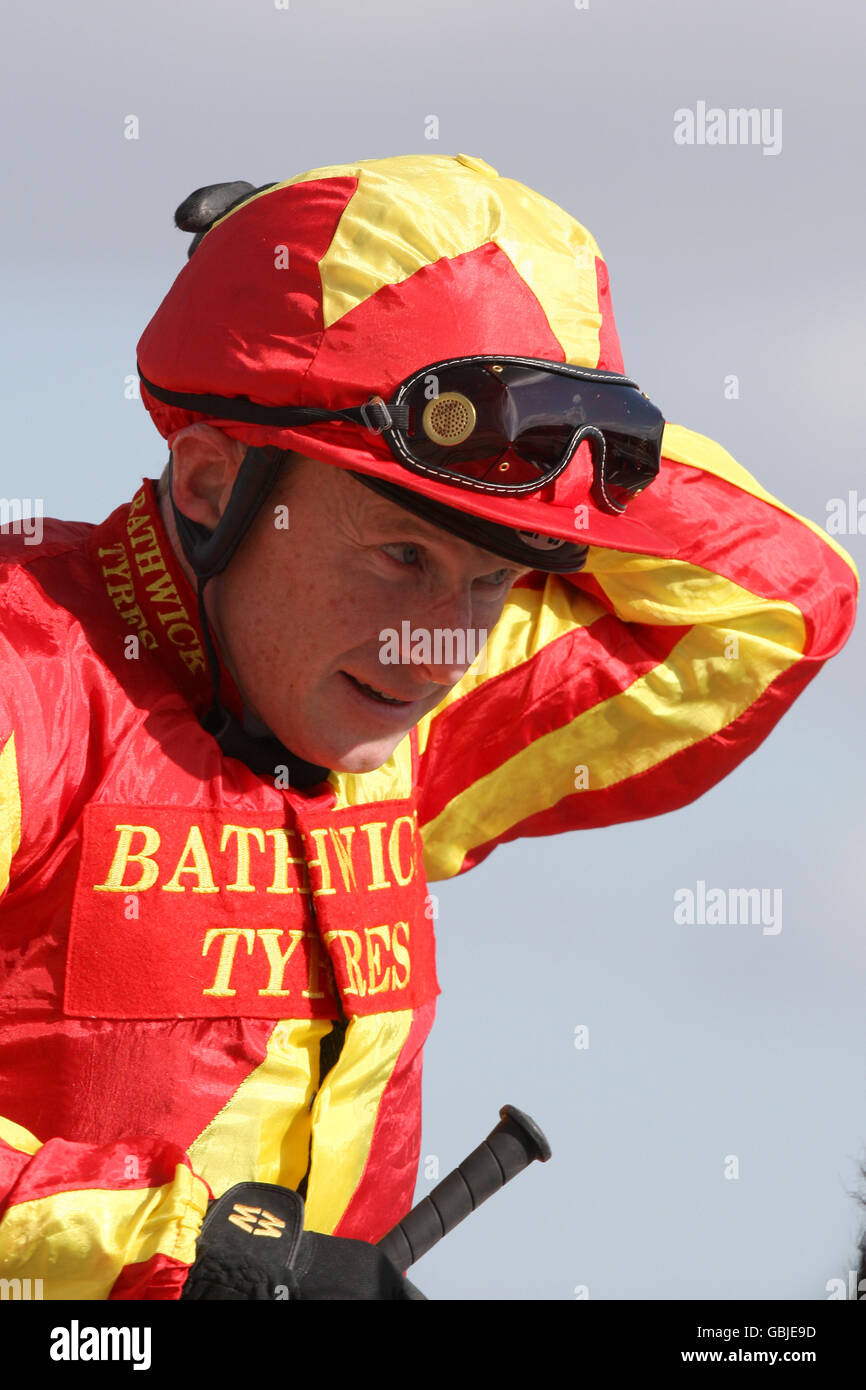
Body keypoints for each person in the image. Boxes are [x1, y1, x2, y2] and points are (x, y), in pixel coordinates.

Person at [0, 152, 858, 1301]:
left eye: (492, 581)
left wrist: (564, 441)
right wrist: (204, 1255)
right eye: (401, 555)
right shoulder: (26, 670)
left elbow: (777, 601)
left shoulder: (403, 719)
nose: (441, 648)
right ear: (210, 485)